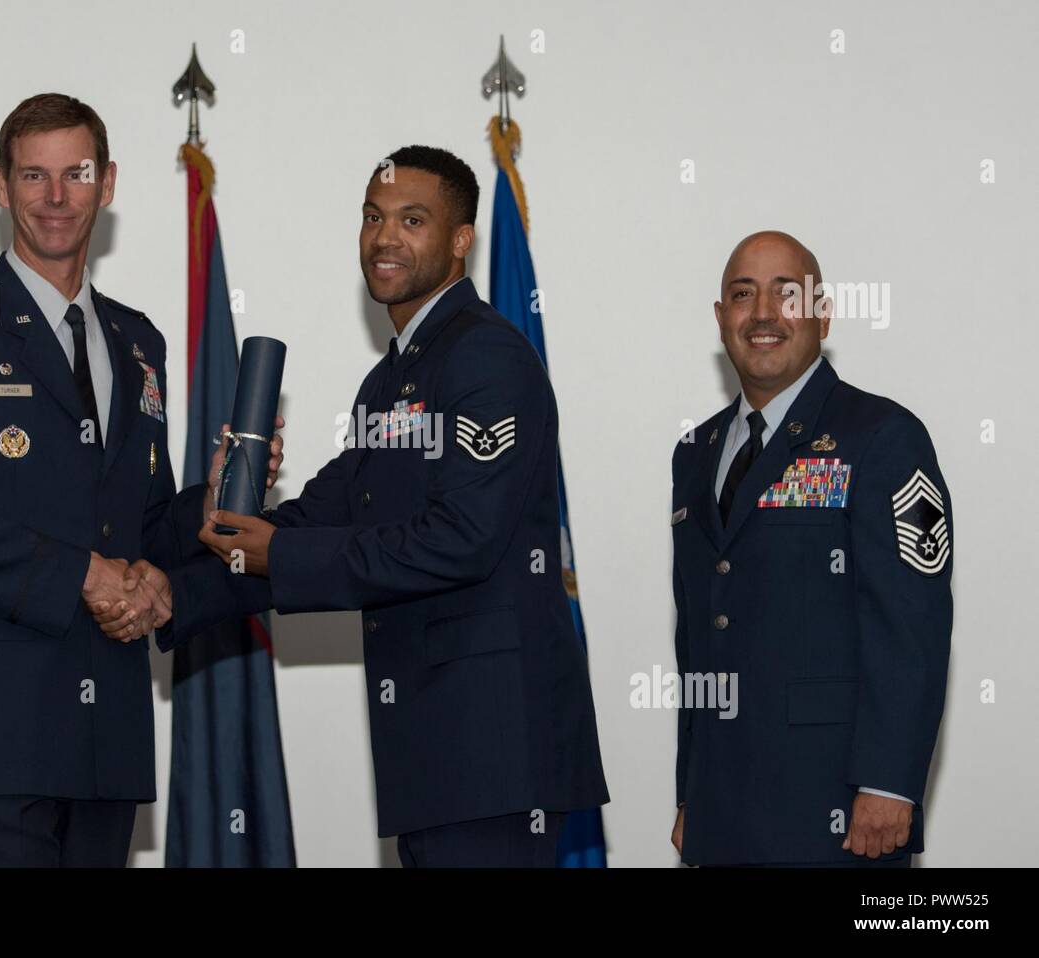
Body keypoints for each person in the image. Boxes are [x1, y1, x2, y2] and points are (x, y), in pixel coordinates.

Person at [119, 146, 609, 867]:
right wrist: (176, 590)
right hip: (434, 751)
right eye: (373, 217)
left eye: (413, 219)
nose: (386, 237)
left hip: (496, 751)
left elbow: (460, 538)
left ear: (461, 241)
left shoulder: (486, 357)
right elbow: (324, 516)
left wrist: (271, 555)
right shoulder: (389, 381)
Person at [0, 93, 280, 867]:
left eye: (76, 174)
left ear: (109, 183)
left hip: (105, 744)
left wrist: (214, 494)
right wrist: (83, 576)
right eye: (34, 175)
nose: (56, 198)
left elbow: (140, 526)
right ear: (1, 186)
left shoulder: (138, 341)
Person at [669, 230, 952, 867]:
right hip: (721, 808)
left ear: (822, 311)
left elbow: (912, 628)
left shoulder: (881, 437)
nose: (763, 314)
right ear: (721, 318)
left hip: (837, 813)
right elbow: (699, 638)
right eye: (743, 294)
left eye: (785, 294)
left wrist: (888, 784)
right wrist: (691, 789)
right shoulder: (694, 455)